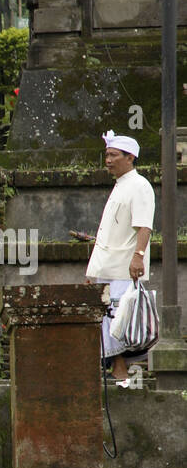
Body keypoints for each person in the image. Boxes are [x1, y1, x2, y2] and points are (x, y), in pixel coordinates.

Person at [86, 131, 155, 387]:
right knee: (108, 319)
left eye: (114, 155)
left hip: (125, 267)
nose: (108, 160)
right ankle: (118, 371)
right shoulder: (120, 186)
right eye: (107, 155)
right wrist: (93, 270)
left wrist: (138, 256)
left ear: (130, 157)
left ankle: (122, 373)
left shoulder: (139, 186)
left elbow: (144, 226)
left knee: (120, 318)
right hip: (108, 266)